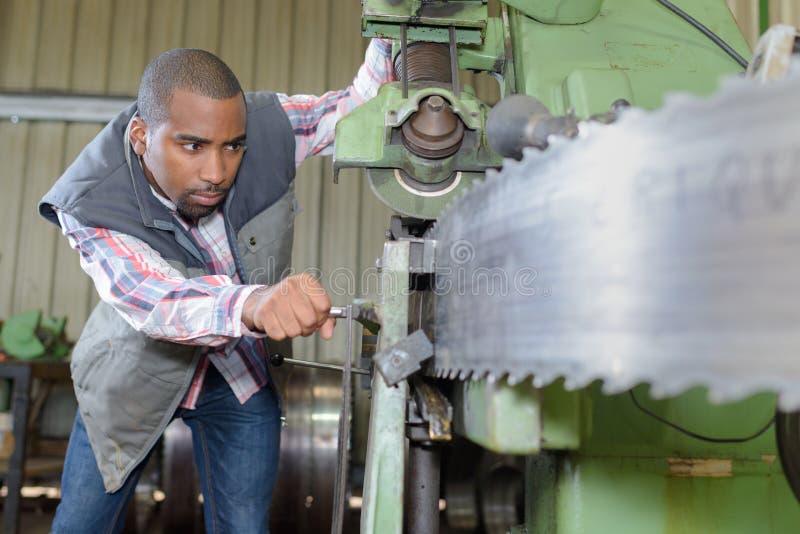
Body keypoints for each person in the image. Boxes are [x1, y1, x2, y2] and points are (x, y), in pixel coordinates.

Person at [38, 38, 394, 533]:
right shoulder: (89, 200)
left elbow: (362, 109)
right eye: (192, 146)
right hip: (128, 380)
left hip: (240, 376)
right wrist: (256, 302)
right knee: (81, 527)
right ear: (141, 135)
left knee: (244, 527)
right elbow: (157, 301)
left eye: (232, 147)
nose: (216, 173)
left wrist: (393, 35)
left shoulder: (267, 127)